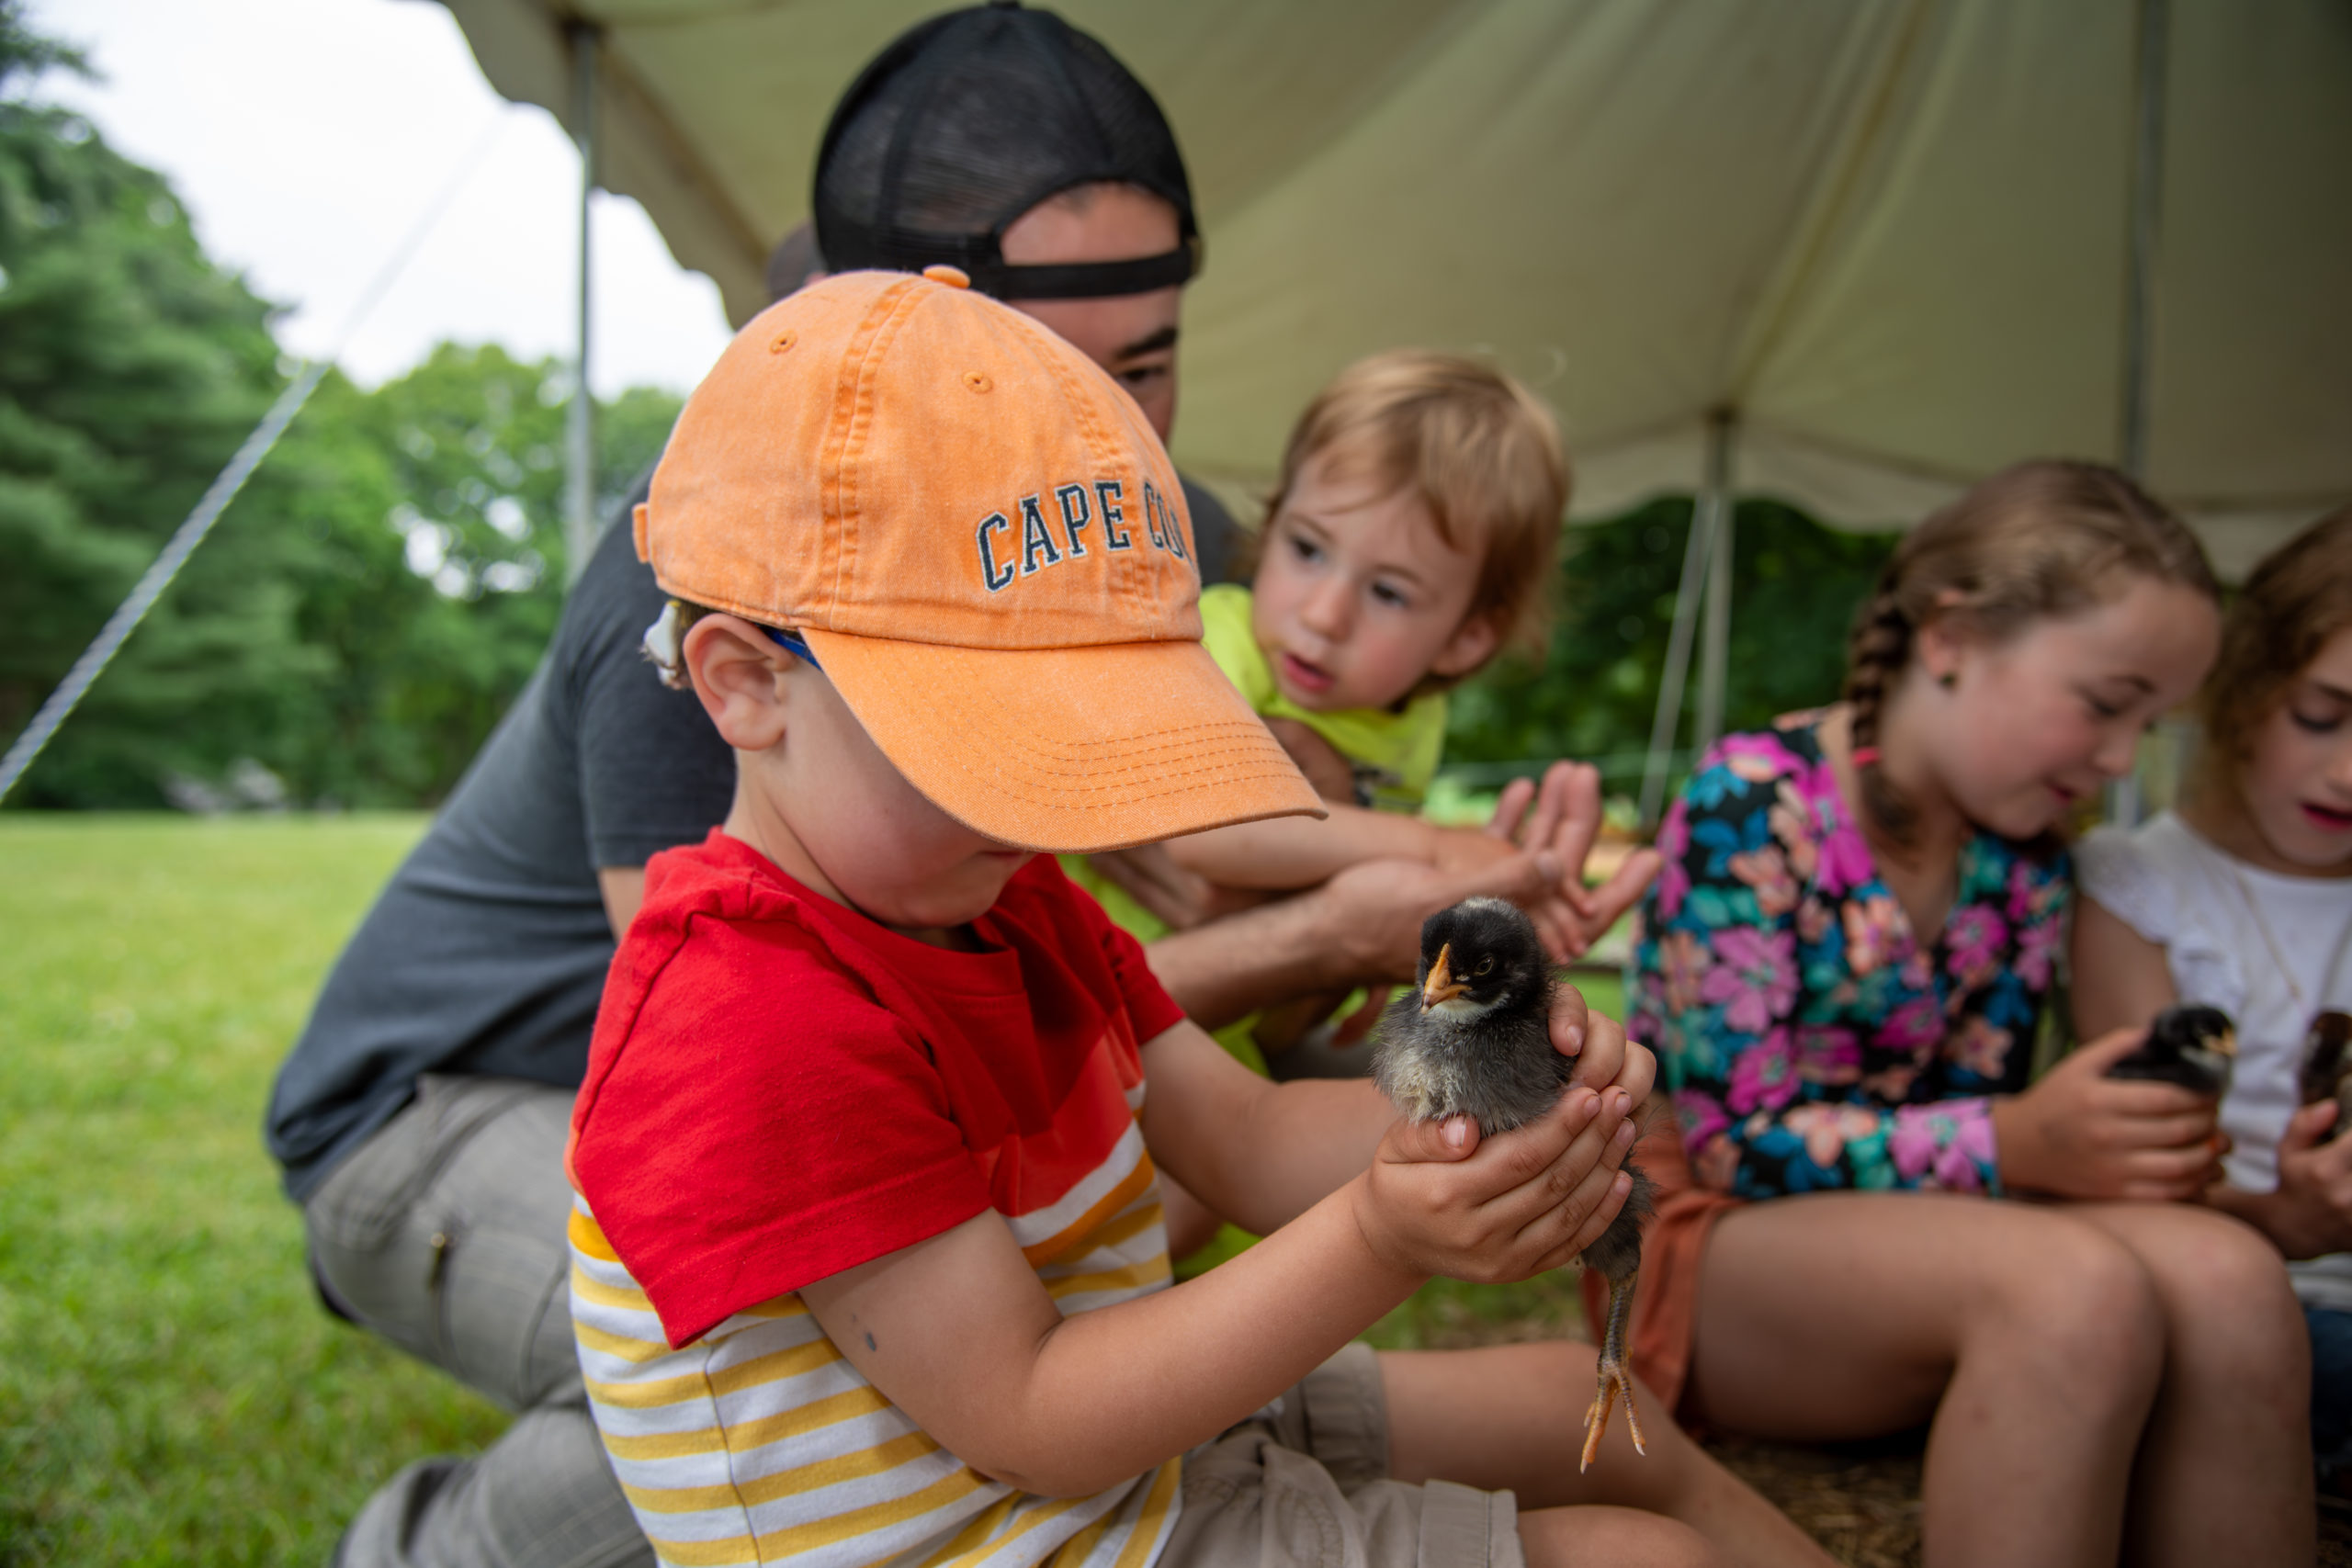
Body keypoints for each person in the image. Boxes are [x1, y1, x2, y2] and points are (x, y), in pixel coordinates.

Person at [274, 9, 1609, 1565]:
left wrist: (1479, 1017)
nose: (1093, 431)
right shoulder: (722, 571)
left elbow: (1149, 924)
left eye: (1146, 366)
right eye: (1044, 367)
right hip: (459, 1108)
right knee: (784, 1359)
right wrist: (1333, 945)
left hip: (881, 1091)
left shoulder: (1093, 535)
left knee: (991, 1265)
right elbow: (804, 1034)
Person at [574, 261, 1837, 1568]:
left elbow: (1244, 1130)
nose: (1041, 805)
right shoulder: (747, 1020)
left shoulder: (1016, 903)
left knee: (1583, 1412)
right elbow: (1032, 1414)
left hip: (1116, 1473)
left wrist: (1499, 1088)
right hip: (1010, 1524)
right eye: (990, 741)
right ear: (746, 685)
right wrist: (1381, 1235)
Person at [1621, 459, 2315, 1565]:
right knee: (2069, 1291)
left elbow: (1989, 1144)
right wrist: (2018, 1139)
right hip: (1715, 1249)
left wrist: (2120, 1150)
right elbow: (1728, 1144)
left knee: (2230, 1282)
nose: (2120, 761)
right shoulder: (1749, 800)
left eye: (2152, 724)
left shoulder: (2028, 859)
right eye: (2103, 704)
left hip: (1935, 1243)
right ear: (1948, 638)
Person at [2072, 503, 2352, 1481]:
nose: (2348, 769)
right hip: (2260, 1296)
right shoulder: (2140, 886)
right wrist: (2296, 1220)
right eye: (2320, 715)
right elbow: (2146, 1182)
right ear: (2242, 690)